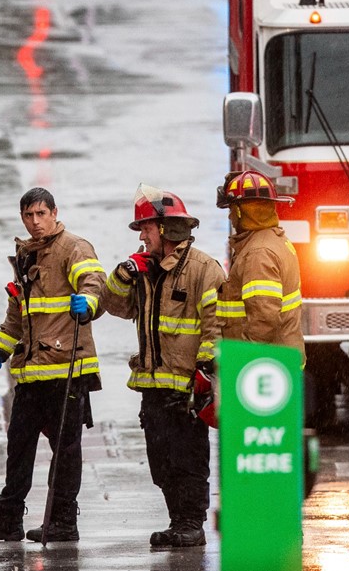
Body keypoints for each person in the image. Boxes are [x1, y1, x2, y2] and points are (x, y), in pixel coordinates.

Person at [0, 187, 105, 544]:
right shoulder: (26, 254)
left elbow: (94, 283)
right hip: (30, 373)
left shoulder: (74, 247)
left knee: (66, 452)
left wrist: (87, 302)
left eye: (41, 214)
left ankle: (62, 522)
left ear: (55, 213)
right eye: (28, 216)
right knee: (19, 448)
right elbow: (18, 314)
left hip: (66, 371)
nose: (35, 222)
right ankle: (8, 520)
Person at [102, 186, 224, 548]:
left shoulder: (203, 269)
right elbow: (115, 306)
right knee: (162, 463)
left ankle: (191, 524)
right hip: (152, 385)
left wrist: (204, 374)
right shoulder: (144, 270)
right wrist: (123, 274)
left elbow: (215, 325)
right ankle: (177, 522)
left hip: (186, 387)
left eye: (146, 228)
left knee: (187, 459)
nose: (141, 236)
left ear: (168, 229)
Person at [214, 170, 305, 360]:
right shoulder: (275, 239)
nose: (230, 218)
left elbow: (264, 320)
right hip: (280, 358)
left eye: (231, 210)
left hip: (264, 364)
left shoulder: (258, 254)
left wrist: (244, 360)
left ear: (240, 212)